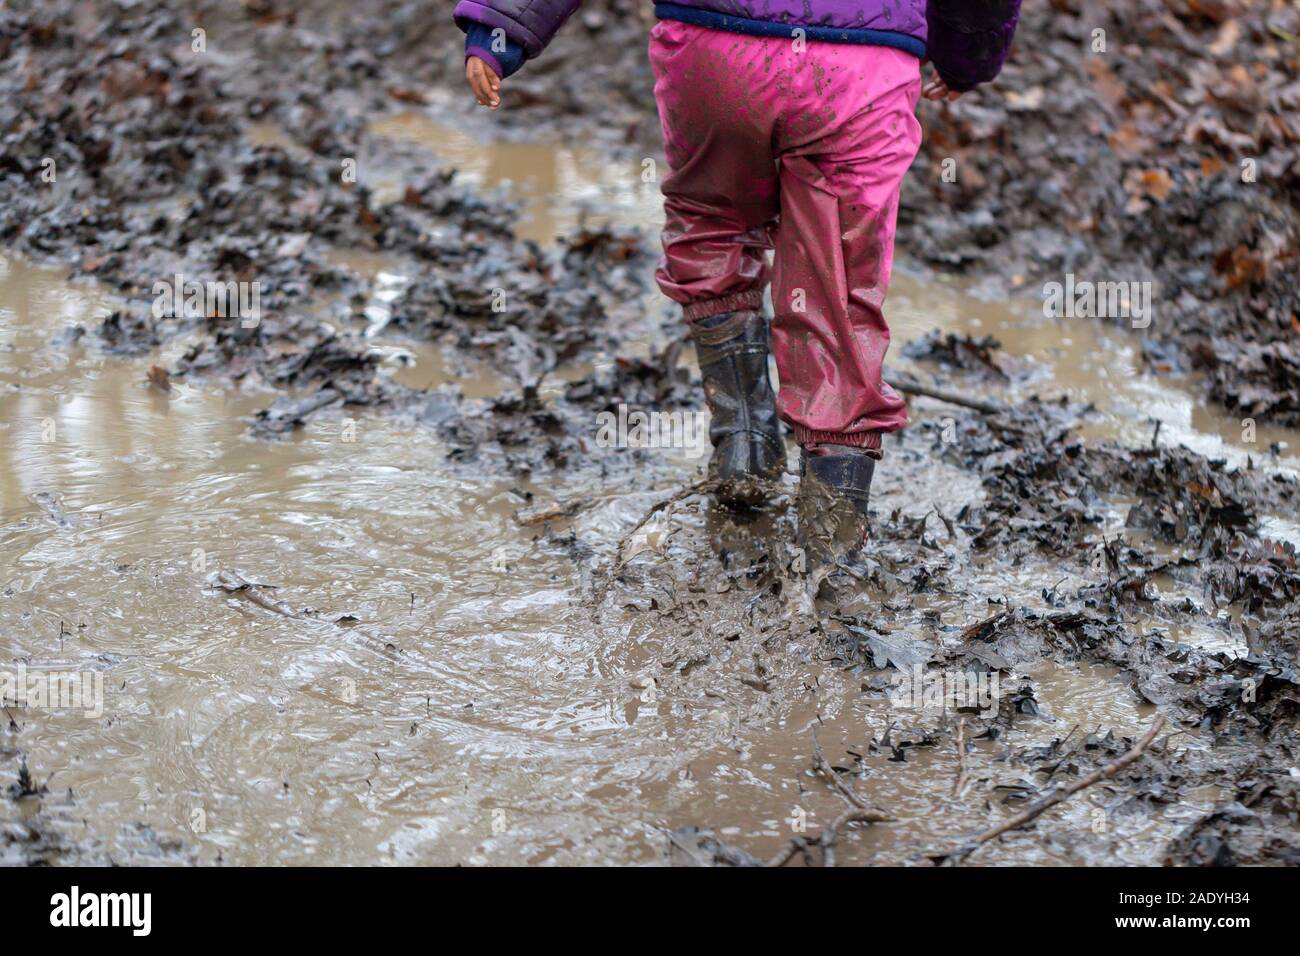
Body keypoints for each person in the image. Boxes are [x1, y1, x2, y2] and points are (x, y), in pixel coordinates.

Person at [456, 1, 1021, 518]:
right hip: (861, 68)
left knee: (712, 224)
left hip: (716, 47)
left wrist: (502, 30)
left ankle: (744, 445)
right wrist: (967, 51)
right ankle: (834, 540)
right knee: (840, 283)